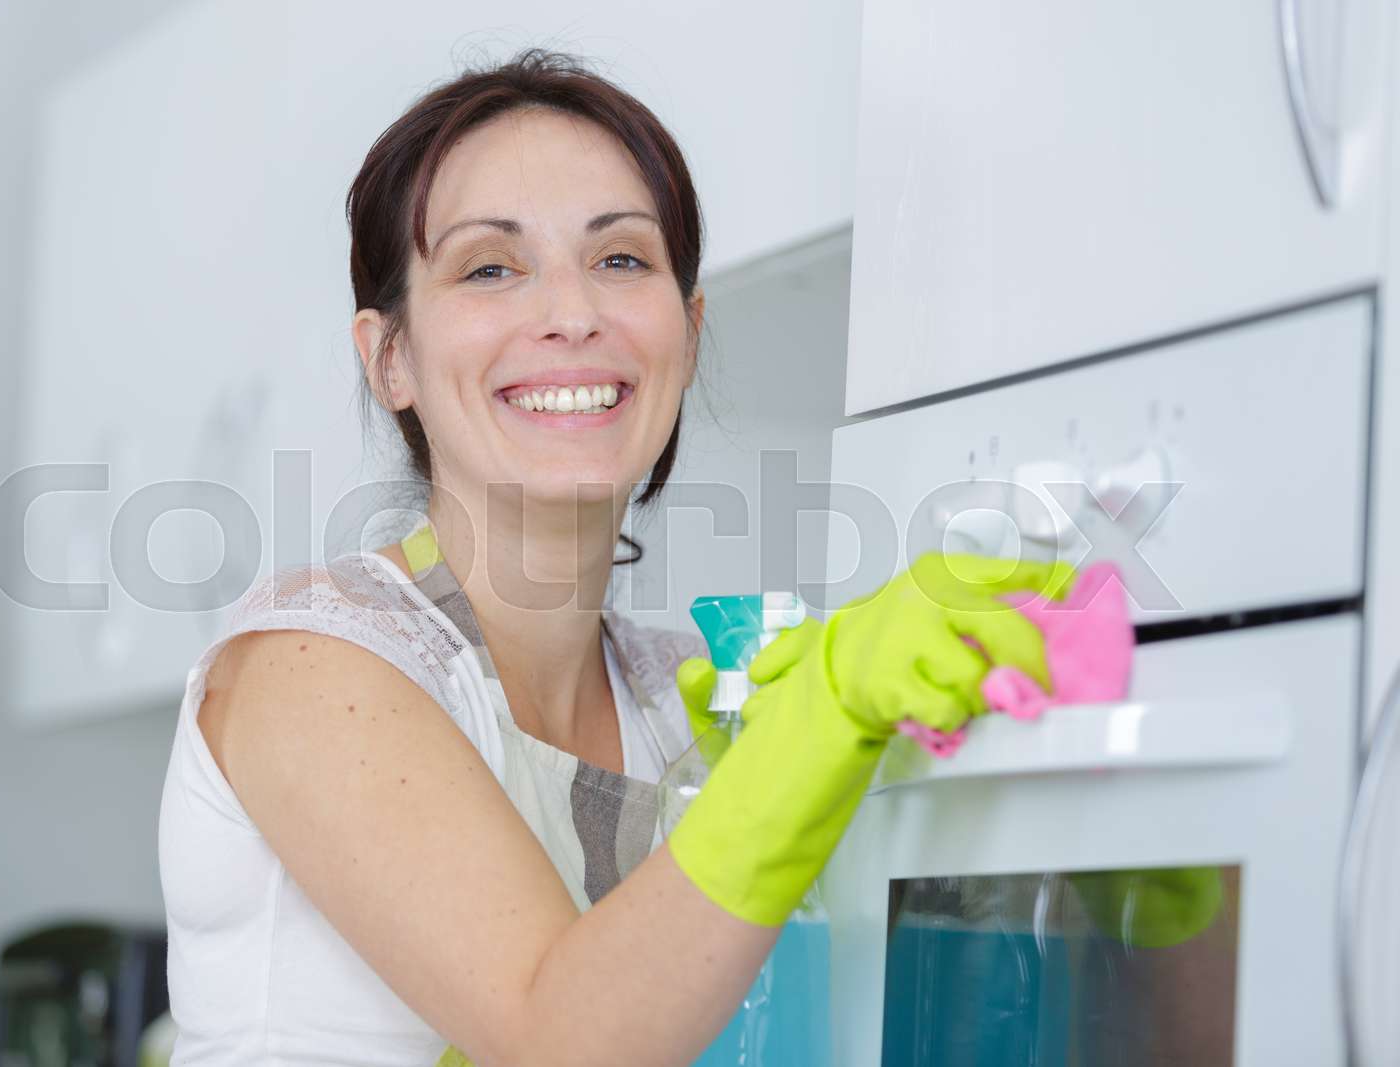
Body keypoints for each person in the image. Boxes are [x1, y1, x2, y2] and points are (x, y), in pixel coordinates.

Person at [156, 48, 1073, 1066]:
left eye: (623, 259)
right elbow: (557, 1037)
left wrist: (1092, 890)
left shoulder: (693, 706)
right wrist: (821, 725)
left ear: (687, 331)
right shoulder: (313, 666)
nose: (573, 313)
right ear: (390, 357)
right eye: (490, 266)